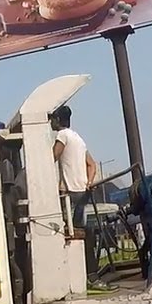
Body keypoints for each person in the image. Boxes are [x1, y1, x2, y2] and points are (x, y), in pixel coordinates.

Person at [50, 105, 114, 293]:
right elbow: (92, 165)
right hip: (83, 193)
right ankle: (90, 275)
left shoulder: (62, 136)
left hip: (70, 194)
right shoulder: (78, 138)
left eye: (53, 119)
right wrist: (89, 182)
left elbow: (50, 158)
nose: (51, 122)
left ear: (58, 120)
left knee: (66, 236)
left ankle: (84, 277)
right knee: (83, 234)